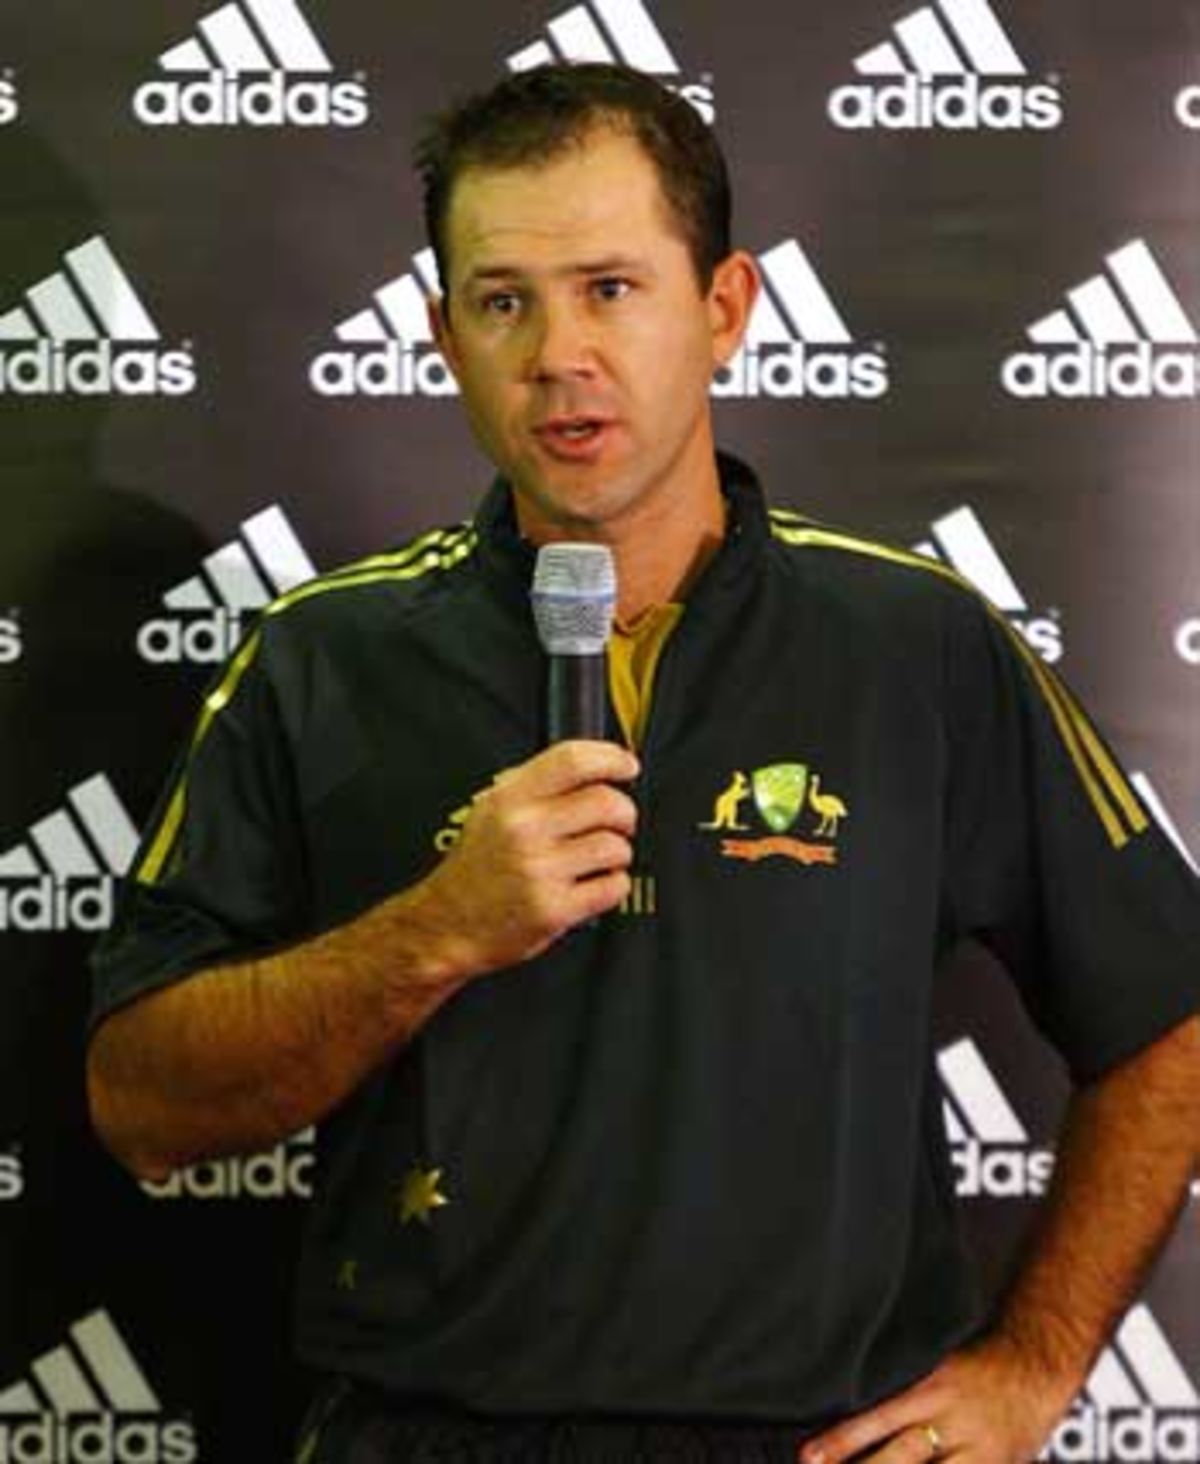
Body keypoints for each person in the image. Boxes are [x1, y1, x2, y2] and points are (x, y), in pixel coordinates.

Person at [87, 63, 1200, 1464]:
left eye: (610, 288)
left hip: (813, 1440)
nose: (560, 353)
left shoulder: (916, 647)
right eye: (504, 302)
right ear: (442, 336)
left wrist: (1035, 1365)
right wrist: (434, 932)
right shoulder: (321, 659)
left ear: (724, 309)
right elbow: (142, 1106)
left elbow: (1170, 1014)